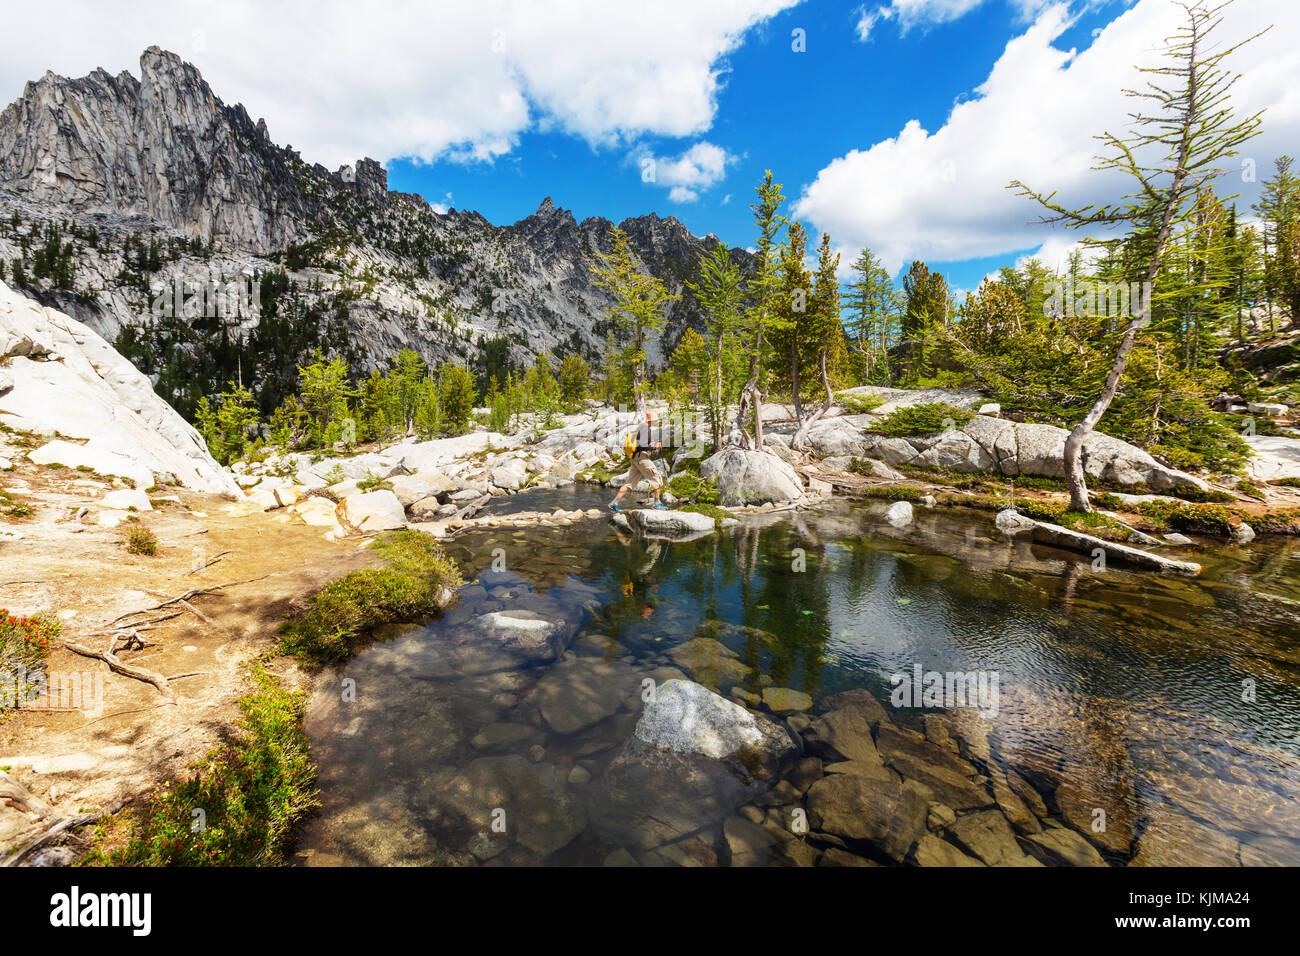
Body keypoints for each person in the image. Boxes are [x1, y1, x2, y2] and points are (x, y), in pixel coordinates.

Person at [610, 409, 667, 512]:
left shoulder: (641, 427)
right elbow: (642, 446)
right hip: (642, 458)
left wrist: (651, 445)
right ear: (650, 420)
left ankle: (614, 503)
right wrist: (655, 447)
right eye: (655, 420)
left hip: (635, 458)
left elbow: (639, 444)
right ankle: (657, 503)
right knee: (657, 478)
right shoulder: (646, 428)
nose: (656, 421)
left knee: (629, 483)